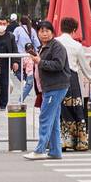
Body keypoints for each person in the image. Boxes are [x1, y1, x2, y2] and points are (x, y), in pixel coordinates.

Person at [24, 21, 68, 160]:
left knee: (45, 117)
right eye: (41, 31)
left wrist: (40, 61)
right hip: (49, 87)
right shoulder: (43, 47)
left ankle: (40, 149)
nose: (44, 33)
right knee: (53, 120)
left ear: (52, 32)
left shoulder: (57, 47)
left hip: (56, 86)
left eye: (47, 31)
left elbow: (58, 64)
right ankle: (55, 151)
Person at [56, 16, 91, 152]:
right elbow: (84, 66)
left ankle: (64, 141)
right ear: (74, 30)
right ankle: (80, 142)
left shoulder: (55, 42)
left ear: (61, 28)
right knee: (77, 110)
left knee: (62, 110)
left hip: (57, 79)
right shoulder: (77, 46)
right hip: (72, 79)